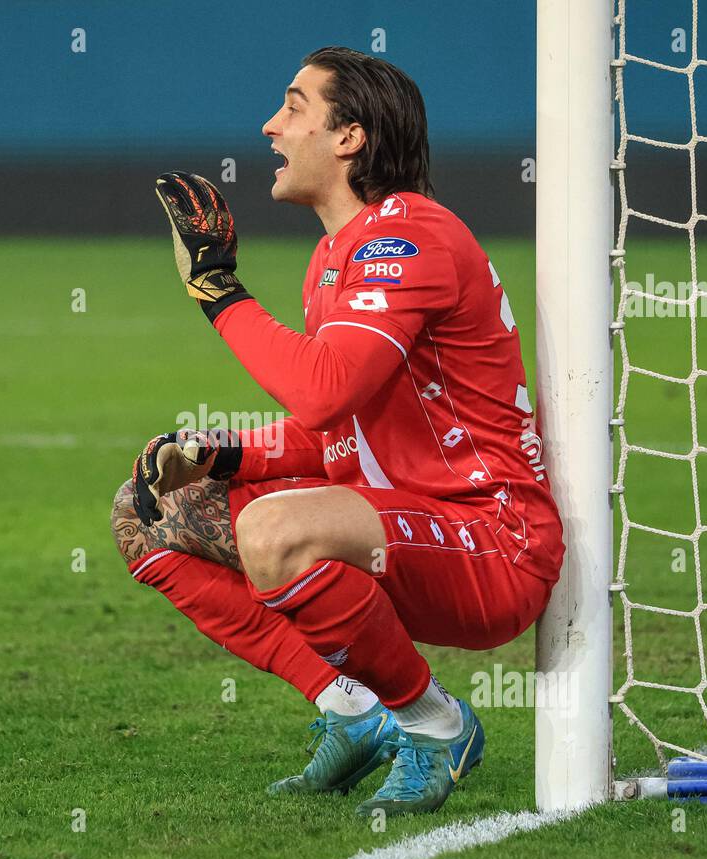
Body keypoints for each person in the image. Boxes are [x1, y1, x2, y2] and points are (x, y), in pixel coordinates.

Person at [111, 46, 564, 817]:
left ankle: (435, 723)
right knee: (145, 516)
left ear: (349, 136)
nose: (270, 127)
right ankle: (353, 711)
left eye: (293, 107)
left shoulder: (406, 239)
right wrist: (220, 454)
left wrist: (219, 292)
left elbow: (323, 392)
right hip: (398, 525)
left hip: (492, 541)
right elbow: (340, 436)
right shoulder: (334, 257)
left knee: (275, 529)